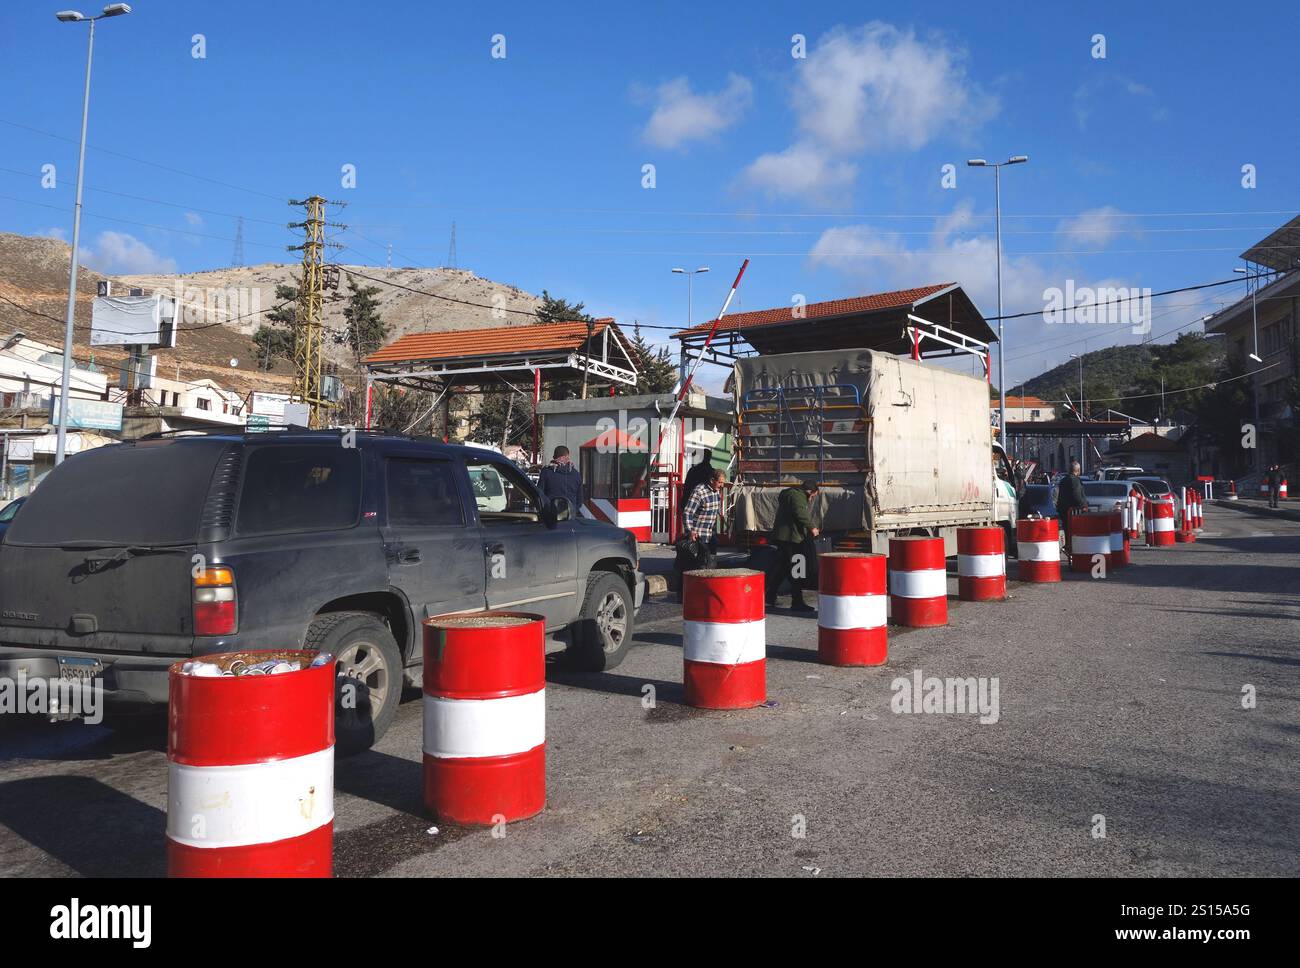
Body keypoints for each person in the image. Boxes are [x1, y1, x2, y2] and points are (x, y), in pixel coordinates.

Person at [770, 480, 819, 613]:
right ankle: (797, 602)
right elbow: (800, 513)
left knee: (784, 568)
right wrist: (812, 527)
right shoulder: (798, 496)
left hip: (784, 537)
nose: (811, 499)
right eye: (813, 496)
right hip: (793, 538)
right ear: (810, 492)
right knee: (797, 568)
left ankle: (769, 595)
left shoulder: (789, 494)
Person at [537, 446, 583, 511]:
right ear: (567, 456)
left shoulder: (546, 472)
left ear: (554, 457)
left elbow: (540, 494)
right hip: (569, 516)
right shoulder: (576, 474)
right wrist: (572, 511)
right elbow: (579, 501)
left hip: (551, 515)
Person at [1055, 459, 1088, 550]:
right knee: (1075, 531)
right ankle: (1074, 549)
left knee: (1067, 530)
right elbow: (1076, 495)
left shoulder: (1063, 480)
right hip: (1073, 511)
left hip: (1063, 510)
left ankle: (1069, 546)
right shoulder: (1075, 480)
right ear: (1077, 470)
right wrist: (1084, 505)